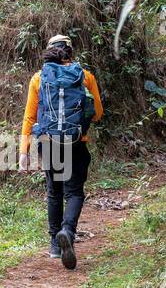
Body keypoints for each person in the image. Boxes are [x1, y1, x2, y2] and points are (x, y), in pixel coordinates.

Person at [19, 34, 103, 269]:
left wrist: (23, 151)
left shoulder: (38, 78)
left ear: (49, 52)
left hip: (48, 142)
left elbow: (30, 116)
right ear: (70, 52)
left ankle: (55, 245)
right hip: (76, 141)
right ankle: (67, 230)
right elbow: (97, 112)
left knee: (54, 192)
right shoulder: (85, 76)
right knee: (74, 192)